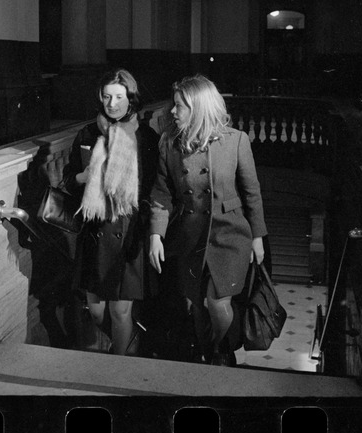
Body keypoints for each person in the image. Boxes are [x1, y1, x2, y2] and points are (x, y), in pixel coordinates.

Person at [148, 74, 267, 366]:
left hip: (230, 236)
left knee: (217, 301)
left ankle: (220, 352)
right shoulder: (169, 143)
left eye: (179, 106)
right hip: (189, 235)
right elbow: (161, 194)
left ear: (199, 107)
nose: (172, 112)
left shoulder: (236, 141)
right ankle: (206, 354)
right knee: (194, 304)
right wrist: (155, 235)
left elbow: (252, 194)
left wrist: (257, 238)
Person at [59, 69, 159, 356]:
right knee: (96, 311)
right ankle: (130, 342)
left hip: (128, 233)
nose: (112, 103)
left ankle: (120, 364)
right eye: (106, 96)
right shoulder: (88, 133)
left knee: (120, 312)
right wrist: (85, 176)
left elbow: (154, 188)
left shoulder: (145, 137)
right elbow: (67, 181)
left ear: (131, 98)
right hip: (94, 233)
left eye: (119, 97)